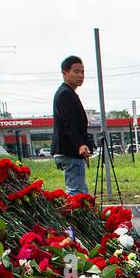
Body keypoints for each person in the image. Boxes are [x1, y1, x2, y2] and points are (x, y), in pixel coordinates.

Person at [49, 55, 94, 196]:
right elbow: (70, 124)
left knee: (79, 192)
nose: (80, 75)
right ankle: (72, 218)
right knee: (77, 194)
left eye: (83, 72)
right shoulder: (65, 94)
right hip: (70, 151)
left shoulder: (68, 93)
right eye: (76, 71)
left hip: (70, 151)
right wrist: (80, 144)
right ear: (65, 73)